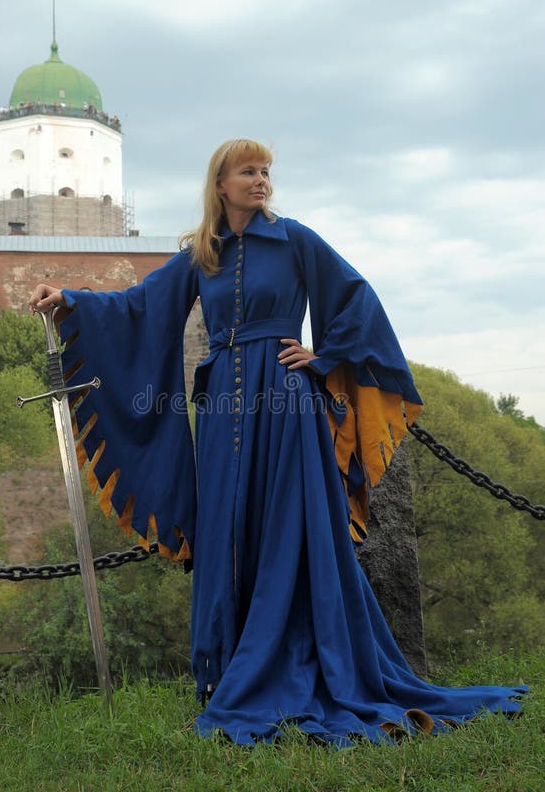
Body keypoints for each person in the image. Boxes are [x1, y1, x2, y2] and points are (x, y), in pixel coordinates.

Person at [29, 138, 527, 746]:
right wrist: (71, 301)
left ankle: (305, 665)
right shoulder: (201, 256)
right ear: (221, 184)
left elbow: (355, 297)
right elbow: (138, 308)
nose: (261, 180)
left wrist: (326, 356)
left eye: (266, 171)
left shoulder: (294, 240)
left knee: (289, 527)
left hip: (285, 401)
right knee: (228, 532)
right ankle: (240, 664)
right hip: (220, 413)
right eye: (248, 171)